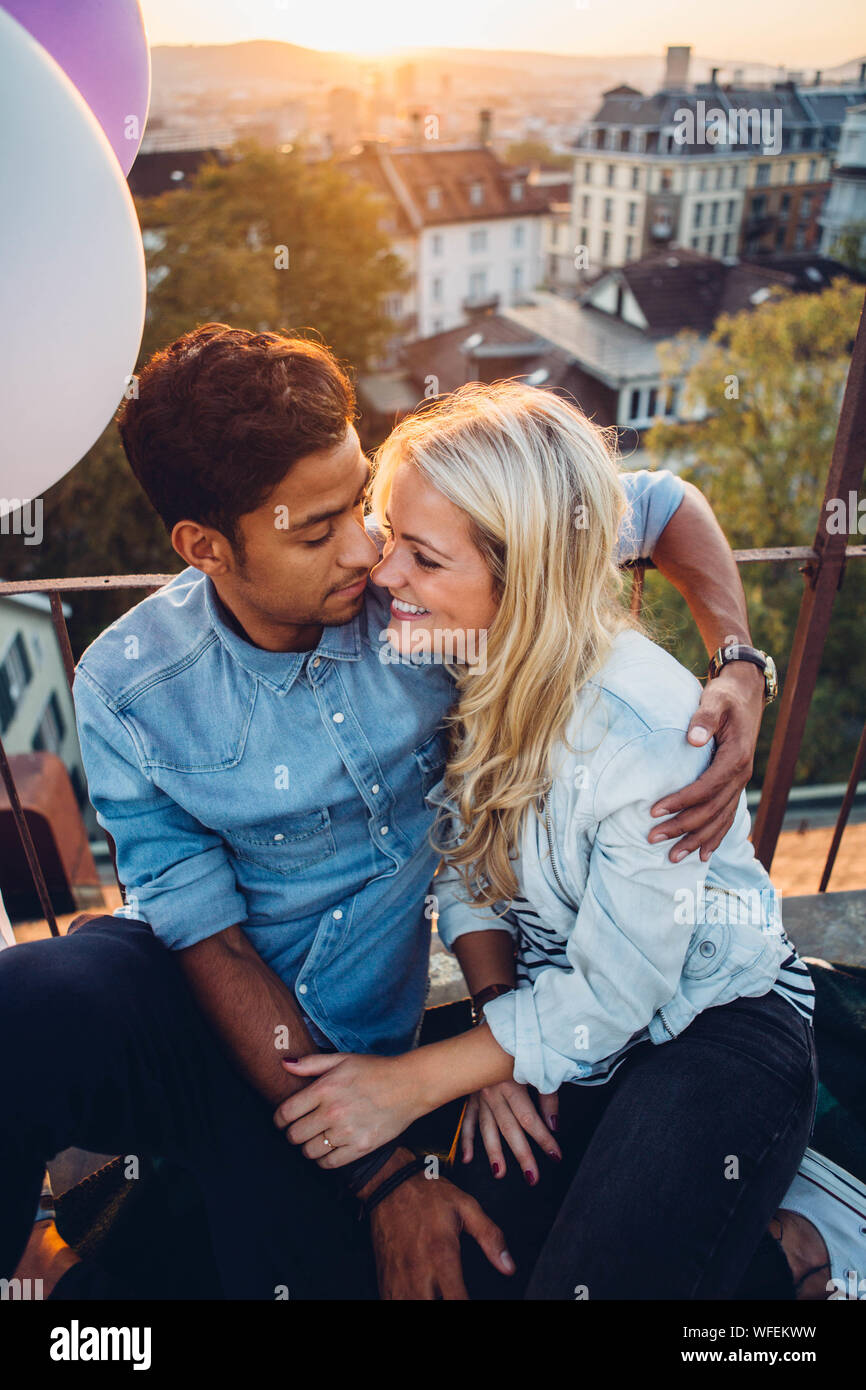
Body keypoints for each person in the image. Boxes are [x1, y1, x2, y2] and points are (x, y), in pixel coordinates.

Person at [1, 326, 774, 1301]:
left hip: (365, 1056)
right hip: (210, 1009)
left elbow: (661, 506)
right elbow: (207, 941)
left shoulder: (427, 572)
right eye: (317, 530)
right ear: (204, 548)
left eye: (359, 501)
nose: (367, 550)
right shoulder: (128, 684)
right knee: (25, 1005)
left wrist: (740, 663)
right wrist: (381, 1169)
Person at [274, 380, 866, 1299]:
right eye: (392, 538)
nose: (384, 575)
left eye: (423, 559)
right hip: (550, 1014)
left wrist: (414, 1084)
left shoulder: (650, 736)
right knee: (465, 1266)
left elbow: (622, 989)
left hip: (710, 1028)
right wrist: (494, 1024)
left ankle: (802, 1252)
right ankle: (755, 1255)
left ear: (526, 576)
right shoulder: (462, 655)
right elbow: (470, 874)